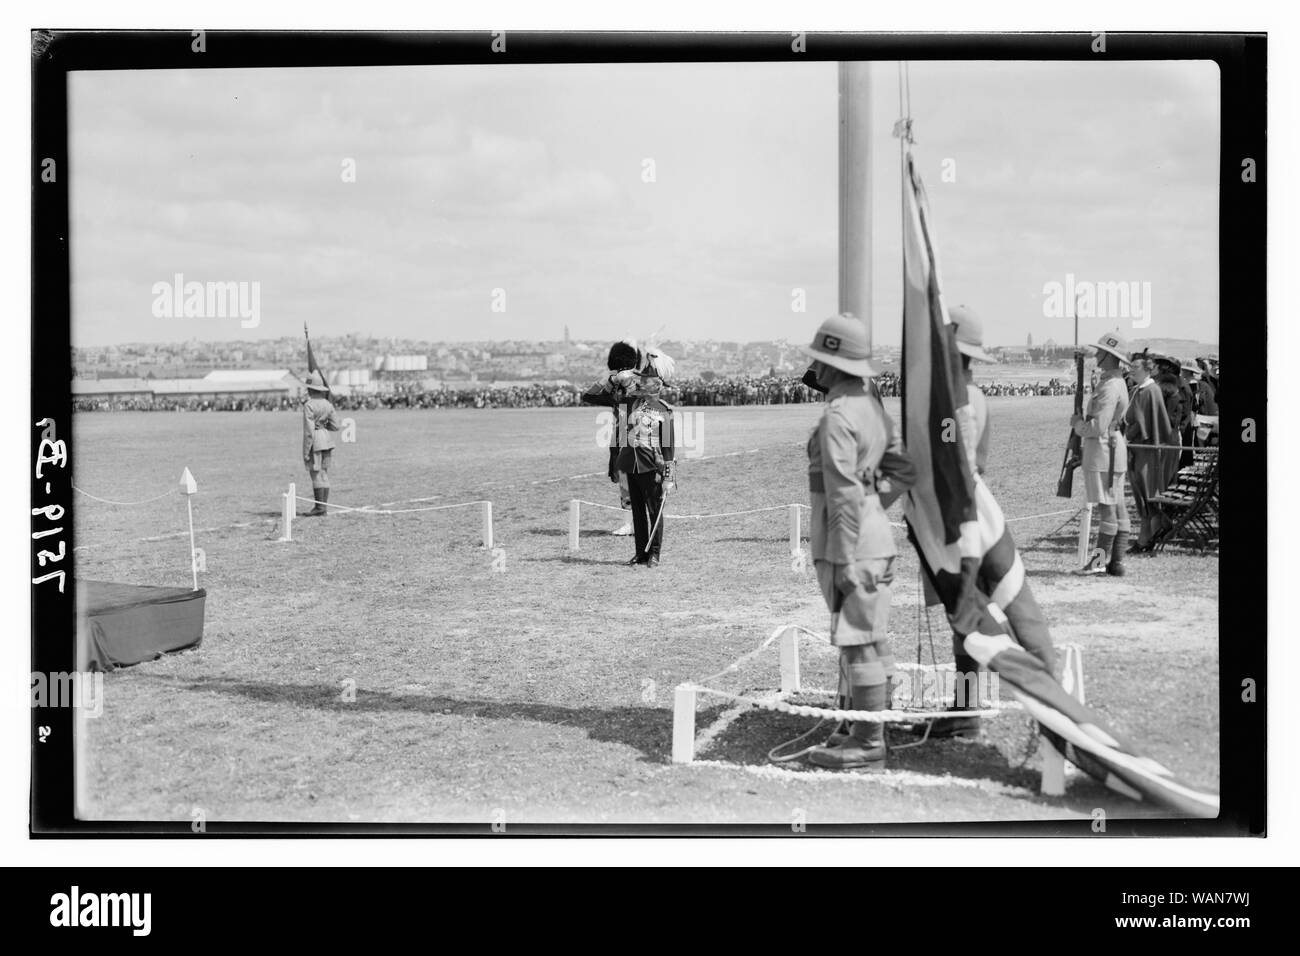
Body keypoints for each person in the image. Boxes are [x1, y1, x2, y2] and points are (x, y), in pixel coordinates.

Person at [910, 304, 1058, 738]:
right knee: (967, 616)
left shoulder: (956, 400)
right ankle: (966, 708)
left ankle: (975, 708)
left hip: (959, 518)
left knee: (971, 613)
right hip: (964, 512)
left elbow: (949, 459)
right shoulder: (968, 396)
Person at [798, 314, 916, 771]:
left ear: (832, 366)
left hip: (848, 544)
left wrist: (846, 551)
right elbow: (903, 468)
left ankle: (867, 743)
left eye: (820, 360)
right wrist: (873, 505)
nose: (815, 369)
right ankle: (863, 725)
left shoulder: (838, 417)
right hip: (874, 537)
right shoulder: (871, 409)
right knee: (871, 638)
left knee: (857, 643)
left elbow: (843, 491)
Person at [1072, 332, 1132, 575]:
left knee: (1107, 508)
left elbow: (1097, 427)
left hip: (1104, 451)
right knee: (1117, 507)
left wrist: (1077, 424)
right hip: (1111, 449)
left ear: (1110, 355)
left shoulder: (1110, 386)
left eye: (1100, 351)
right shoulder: (1114, 382)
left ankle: (1099, 563)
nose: (1097, 354)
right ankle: (1115, 562)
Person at [616, 349, 677, 567]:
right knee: (638, 513)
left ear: (658, 385)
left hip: (651, 465)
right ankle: (641, 553)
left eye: (647, 381)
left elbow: (669, 446)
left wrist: (669, 476)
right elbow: (621, 387)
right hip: (630, 464)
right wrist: (621, 376)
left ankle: (655, 554)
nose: (642, 384)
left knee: (654, 511)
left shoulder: (664, 410)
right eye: (642, 381)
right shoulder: (631, 402)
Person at [580, 340, 642, 536]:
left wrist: (629, 382)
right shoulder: (613, 382)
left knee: (643, 477)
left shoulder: (639, 379)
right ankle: (628, 522)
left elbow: (647, 395)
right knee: (623, 477)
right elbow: (588, 396)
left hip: (641, 432)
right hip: (620, 434)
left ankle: (643, 519)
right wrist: (612, 385)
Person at [1124, 353, 1179, 552]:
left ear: (1146, 369)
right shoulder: (1139, 389)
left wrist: (1127, 435)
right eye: (1130, 366)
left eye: (1135, 367)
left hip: (1145, 449)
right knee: (1142, 493)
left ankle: (1146, 539)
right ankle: (1150, 535)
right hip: (1138, 448)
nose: (1131, 369)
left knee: (1147, 493)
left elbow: (1145, 422)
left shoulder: (1150, 390)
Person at [301, 371, 341, 516]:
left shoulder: (309, 405)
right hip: (327, 439)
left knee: (316, 474)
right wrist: (323, 427)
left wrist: (306, 451)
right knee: (324, 474)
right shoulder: (328, 404)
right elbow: (336, 425)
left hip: (316, 441)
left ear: (310, 389)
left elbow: (308, 431)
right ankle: (323, 506)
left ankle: (319, 508)